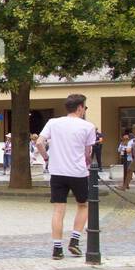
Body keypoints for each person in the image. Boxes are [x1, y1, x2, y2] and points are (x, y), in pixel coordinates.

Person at [35, 93, 97, 259]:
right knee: (83, 205)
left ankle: (57, 248)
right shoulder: (88, 126)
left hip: (57, 171)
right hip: (78, 172)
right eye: (84, 107)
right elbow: (87, 153)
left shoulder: (53, 123)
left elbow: (39, 142)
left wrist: (47, 157)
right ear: (79, 108)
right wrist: (87, 159)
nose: (84, 110)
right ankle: (75, 241)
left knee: (58, 210)